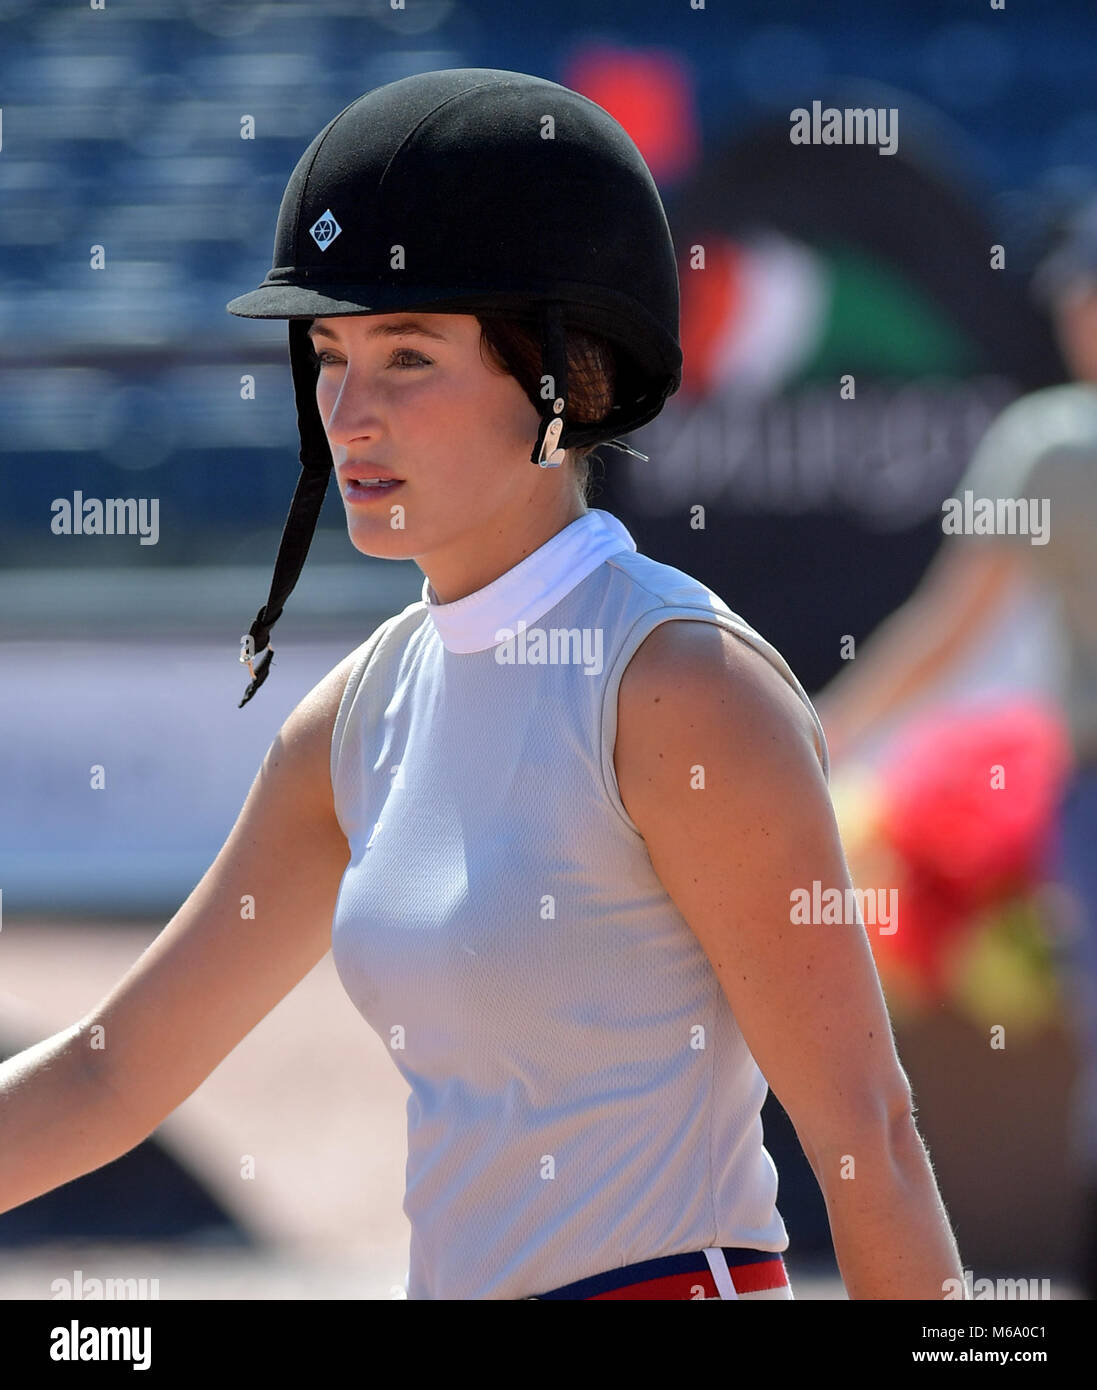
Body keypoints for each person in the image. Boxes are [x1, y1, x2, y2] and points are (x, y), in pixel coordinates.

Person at [0, 68, 963, 1301]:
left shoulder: (682, 687)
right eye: (328, 353)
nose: (347, 411)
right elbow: (110, 1073)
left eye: (407, 356)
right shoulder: (349, 718)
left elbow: (867, 1140)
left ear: (572, 383)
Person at [815, 192, 1097, 1297]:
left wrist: (820, 733)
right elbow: (948, 627)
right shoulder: (1050, 445)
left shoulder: (1051, 443)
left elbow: (945, 629)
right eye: (1074, 293)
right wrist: (823, 731)